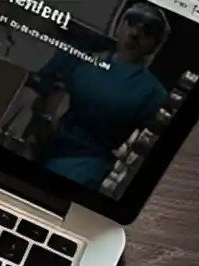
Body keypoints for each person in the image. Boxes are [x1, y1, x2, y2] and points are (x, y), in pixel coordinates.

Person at [30, 2, 170, 189]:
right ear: (120, 26)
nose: (135, 34)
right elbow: (39, 88)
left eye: (148, 31)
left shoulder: (153, 93)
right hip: (40, 144)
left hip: (85, 166)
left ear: (155, 45)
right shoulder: (81, 59)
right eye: (132, 22)